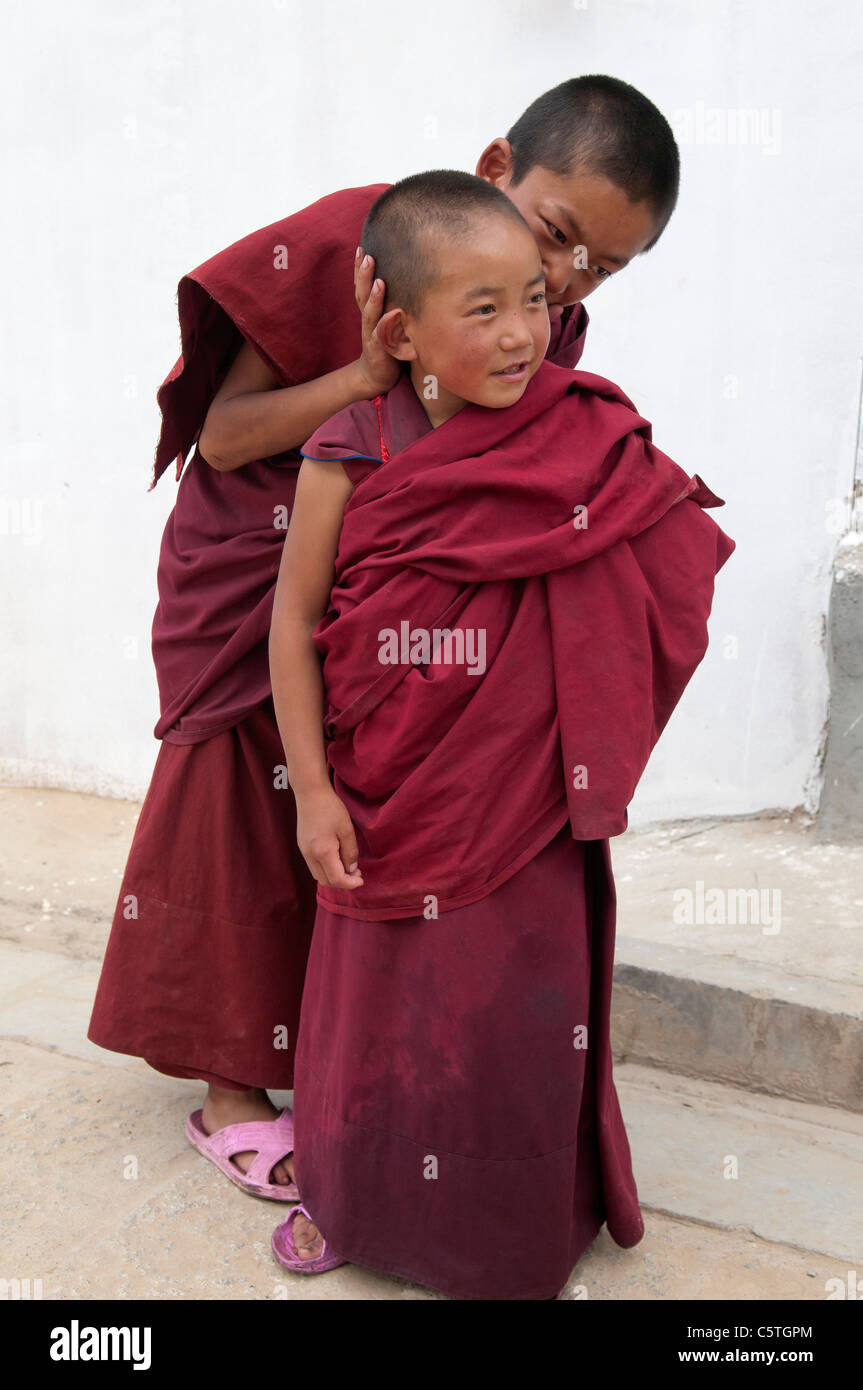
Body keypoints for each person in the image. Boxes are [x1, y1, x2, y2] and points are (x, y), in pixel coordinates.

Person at [88, 76, 683, 1198]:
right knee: (243, 812)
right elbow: (221, 436)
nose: (562, 284)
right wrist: (362, 376)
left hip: (390, 609)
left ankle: (324, 1057)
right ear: (498, 165)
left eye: (601, 269)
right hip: (259, 566)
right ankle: (226, 1089)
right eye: (560, 236)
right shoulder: (364, 242)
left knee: (350, 828)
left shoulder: (531, 313)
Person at [268, 170, 735, 1299]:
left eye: (534, 296)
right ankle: (350, 1194)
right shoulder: (350, 444)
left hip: (521, 796)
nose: (525, 330)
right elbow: (291, 622)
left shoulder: (578, 433)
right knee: (372, 1013)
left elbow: (659, 571)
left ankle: (507, 1225)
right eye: (482, 310)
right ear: (399, 328)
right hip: (386, 789)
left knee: (514, 1018)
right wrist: (317, 794)